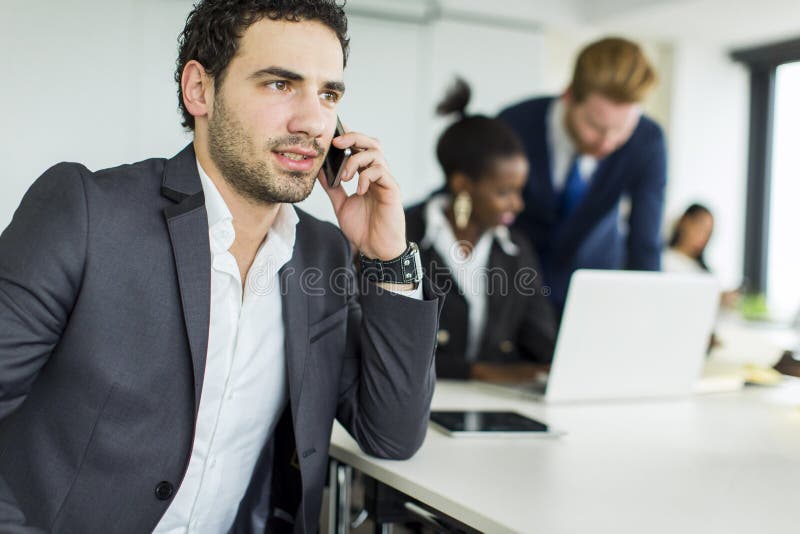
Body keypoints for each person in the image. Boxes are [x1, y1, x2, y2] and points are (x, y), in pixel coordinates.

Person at [0, 1, 442, 532]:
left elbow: (390, 435)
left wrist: (388, 259)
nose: (313, 122)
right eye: (280, 84)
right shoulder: (87, 212)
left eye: (328, 94)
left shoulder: (321, 253)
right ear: (199, 90)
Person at [499, 37, 667, 318]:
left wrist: (648, 316)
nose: (606, 143)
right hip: (514, 292)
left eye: (620, 129)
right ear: (568, 96)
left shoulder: (647, 141)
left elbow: (645, 242)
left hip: (595, 295)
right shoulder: (513, 124)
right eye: (594, 126)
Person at [405, 79, 557, 383]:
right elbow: (384, 340)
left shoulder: (516, 248)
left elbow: (541, 340)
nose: (518, 204)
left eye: (519, 191)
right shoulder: (403, 234)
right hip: (414, 402)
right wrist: (476, 372)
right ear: (463, 185)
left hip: (493, 407)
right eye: (504, 192)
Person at [663, 203, 739, 307]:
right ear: (684, 222)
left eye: (708, 233)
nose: (703, 237)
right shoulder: (664, 261)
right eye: (700, 228)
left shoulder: (704, 271)